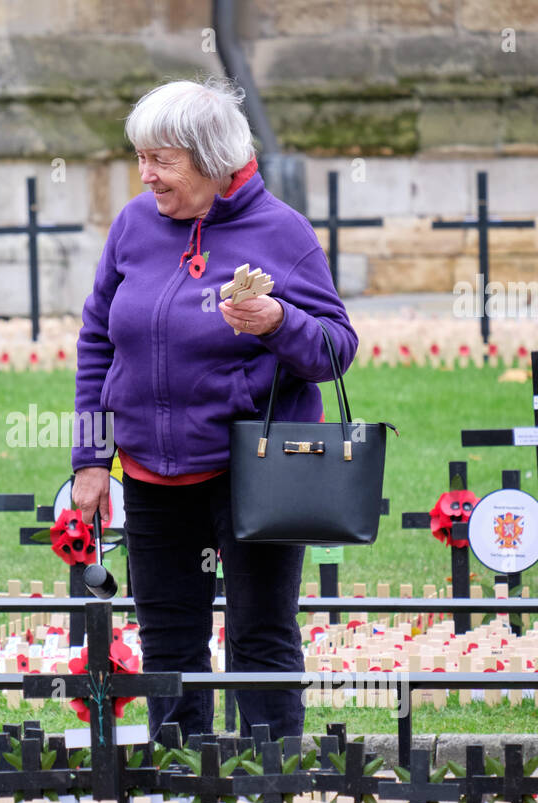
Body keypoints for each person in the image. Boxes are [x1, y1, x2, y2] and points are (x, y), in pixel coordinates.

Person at [70, 78, 357, 743]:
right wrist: (91, 457)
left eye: (160, 160)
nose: (145, 175)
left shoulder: (281, 232)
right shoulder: (133, 225)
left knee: (261, 637)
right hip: (150, 474)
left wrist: (278, 321)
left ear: (211, 158)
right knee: (169, 642)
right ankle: (180, 776)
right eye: (141, 158)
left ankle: (270, 780)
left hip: (252, 473)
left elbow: (336, 349)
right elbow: (95, 344)